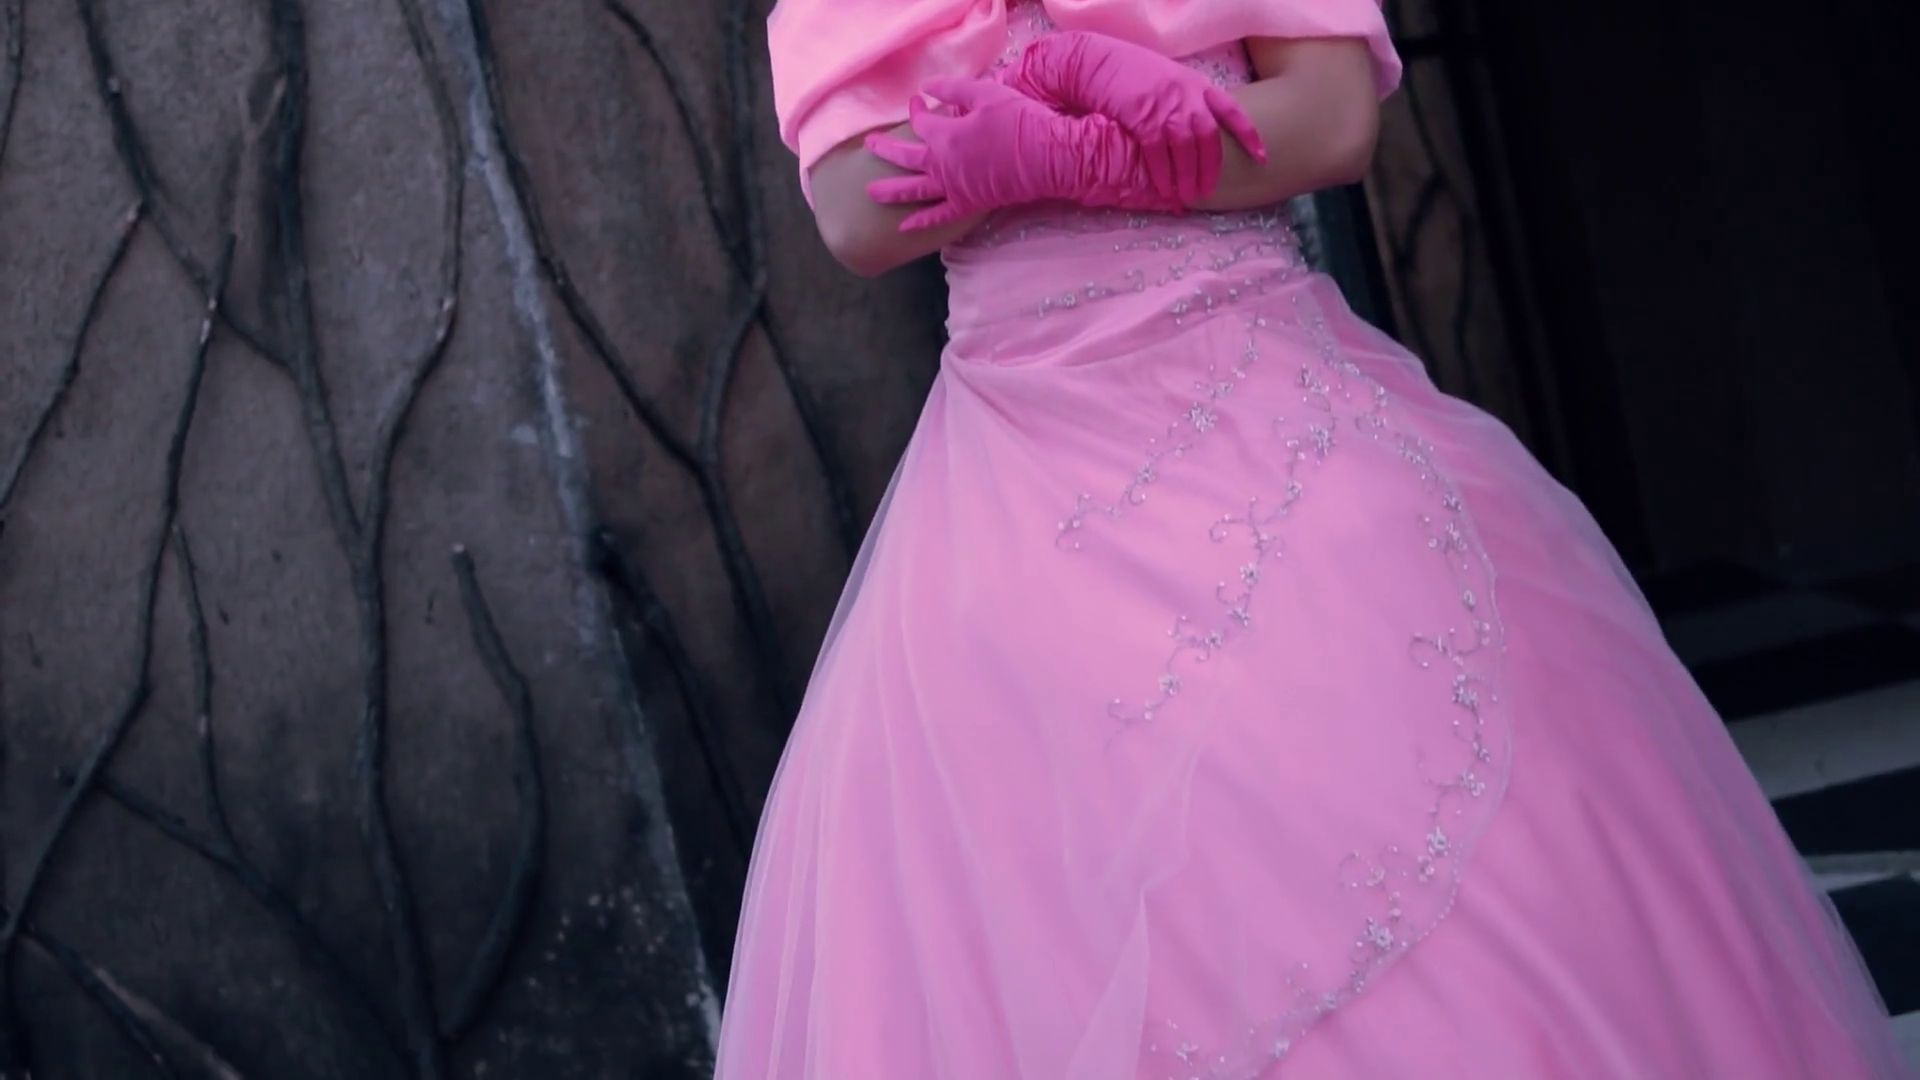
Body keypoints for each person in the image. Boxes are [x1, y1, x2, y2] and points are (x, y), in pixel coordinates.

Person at [715, 1, 1916, 1077]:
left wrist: (1084, 150)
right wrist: (1050, 104)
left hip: (1271, 399)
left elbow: (1335, 123)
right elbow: (854, 213)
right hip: (1024, 466)